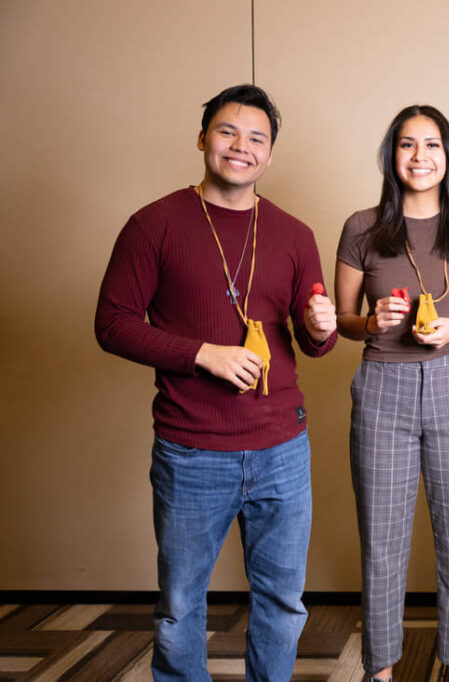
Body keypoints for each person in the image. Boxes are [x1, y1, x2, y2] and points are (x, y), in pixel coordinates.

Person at [95, 84, 338, 680]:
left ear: (270, 154)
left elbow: (314, 342)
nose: (241, 146)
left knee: (282, 602)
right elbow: (112, 323)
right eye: (227, 132)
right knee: (181, 607)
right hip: (191, 449)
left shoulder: (294, 233)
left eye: (257, 138)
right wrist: (202, 353)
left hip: (283, 446)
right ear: (202, 139)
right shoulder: (153, 224)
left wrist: (321, 327)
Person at [334, 105, 449, 682]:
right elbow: (340, 322)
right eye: (408, 145)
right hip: (384, 384)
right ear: (392, 155)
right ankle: (379, 670)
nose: (420, 157)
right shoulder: (361, 227)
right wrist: (373, 321)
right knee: (382, 541)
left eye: (432, 145)